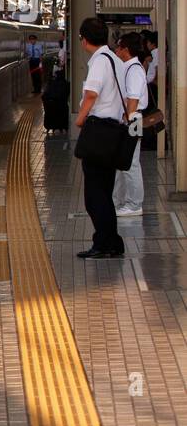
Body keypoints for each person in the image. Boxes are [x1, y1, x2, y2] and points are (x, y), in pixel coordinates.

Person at [75, 17, 128, 259]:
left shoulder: (99, 62)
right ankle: (112, 242)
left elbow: (91, 95)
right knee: (104, 191)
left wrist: (79, 119)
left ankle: (104, 244)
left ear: (84, 39)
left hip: (99, 131)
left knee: (94, 195)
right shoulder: (115, 60)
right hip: (113, 131)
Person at [113, 32, 148, 217]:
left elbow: (133, 99)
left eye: (118, 47)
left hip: (133, 120)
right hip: (129, 119)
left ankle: (135, 204)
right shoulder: (128, 67)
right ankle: (118, 200)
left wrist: (126, 122)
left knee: (130, 163)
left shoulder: (134, 69)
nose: (116, 50)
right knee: (121, 162)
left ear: (126, 49)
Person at [140, 29, 159, 111]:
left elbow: (157, 68)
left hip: (152, 85)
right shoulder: (153, 54)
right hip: (151, 84)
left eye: (148, 42)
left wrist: (155, 81)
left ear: (153, 44)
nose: (146, 44)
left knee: (151, 110)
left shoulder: (156, 53)